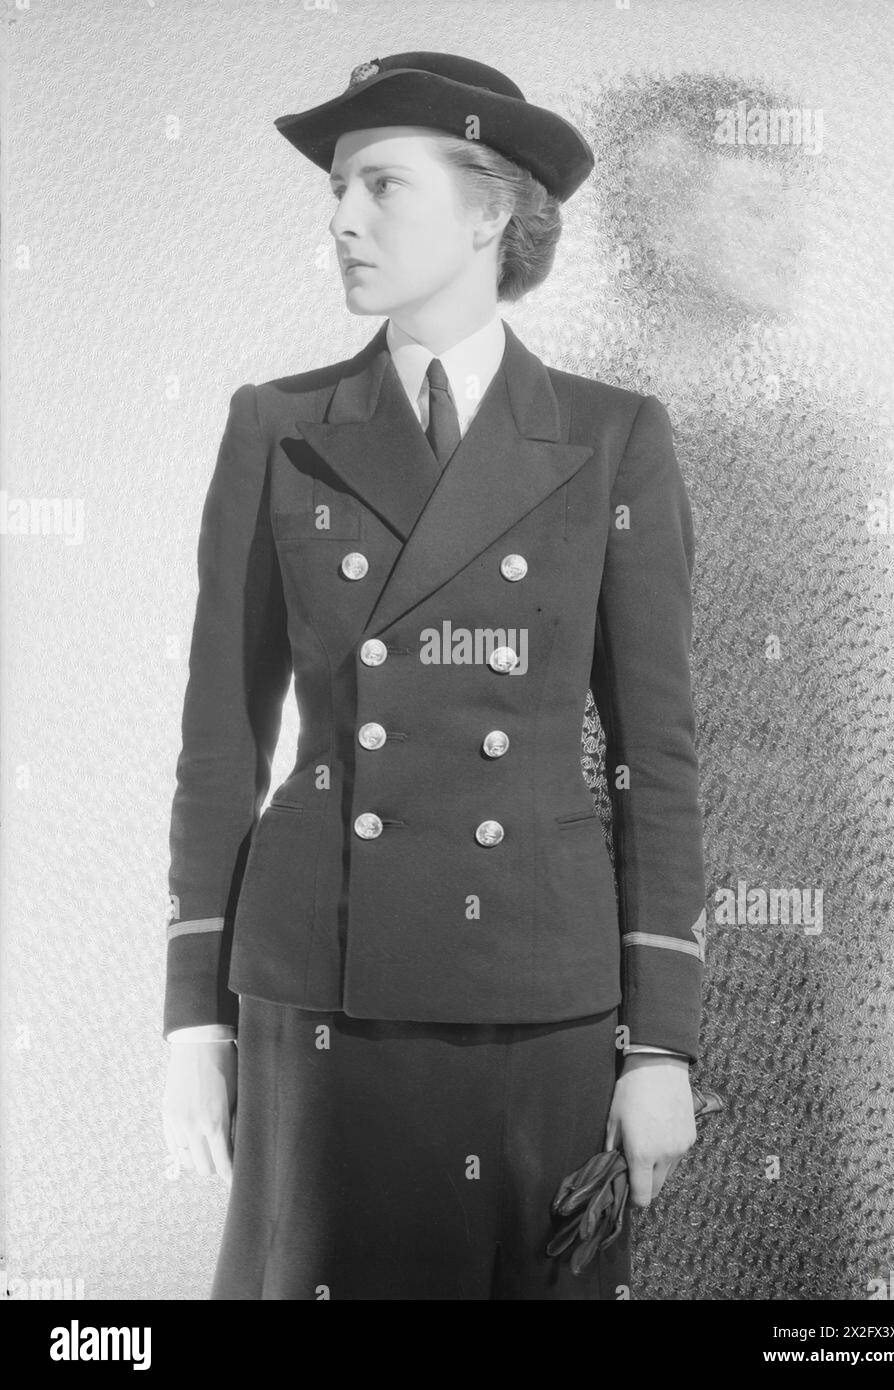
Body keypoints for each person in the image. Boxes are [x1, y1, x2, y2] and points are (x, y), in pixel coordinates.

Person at [160, 50, 707, 1301]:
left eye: (382, 186)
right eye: (338, 192)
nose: (344, 219)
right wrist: (193, 1013)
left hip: (539, 993)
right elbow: (220, 744)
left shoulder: (613, 438)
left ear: (491, 210)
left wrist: (661, 1037)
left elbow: (655, 756)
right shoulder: (278, 426)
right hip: (320, 994)